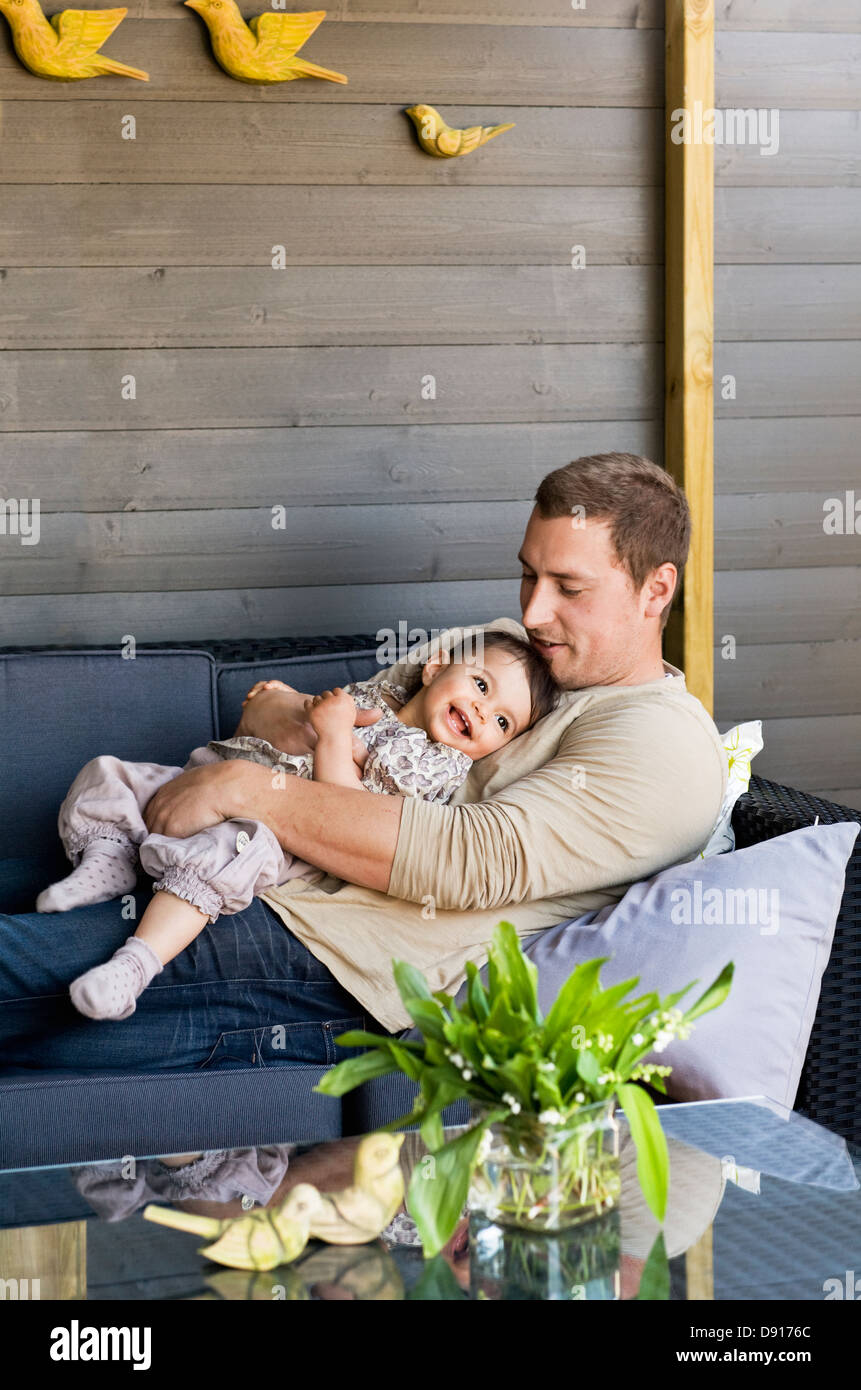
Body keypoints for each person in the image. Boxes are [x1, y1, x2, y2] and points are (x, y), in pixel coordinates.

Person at [0, 453, 727, 1073]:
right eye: (528, 576)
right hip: (232, 859)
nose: (533, 611)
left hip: (317, 954)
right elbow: (319, 713)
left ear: (655, 589)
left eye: (568, 589)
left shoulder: (661, 743)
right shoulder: (504, 644)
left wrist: (246, 787)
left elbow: (469, 862)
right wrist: (283, 723)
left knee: (18, 965)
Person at [36, 633, 557, 1022]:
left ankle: (134, 967)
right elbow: (288, 719)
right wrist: (285, 698)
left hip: (274, 840)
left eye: (503, 722)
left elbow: (344, 812)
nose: (482, 712)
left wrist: (332, 735)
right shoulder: (378, 703)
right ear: (435, 666)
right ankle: (106, 859)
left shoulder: (434, 763)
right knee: (110, 773)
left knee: (222, 853)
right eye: (481, 685)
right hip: (213, 776)